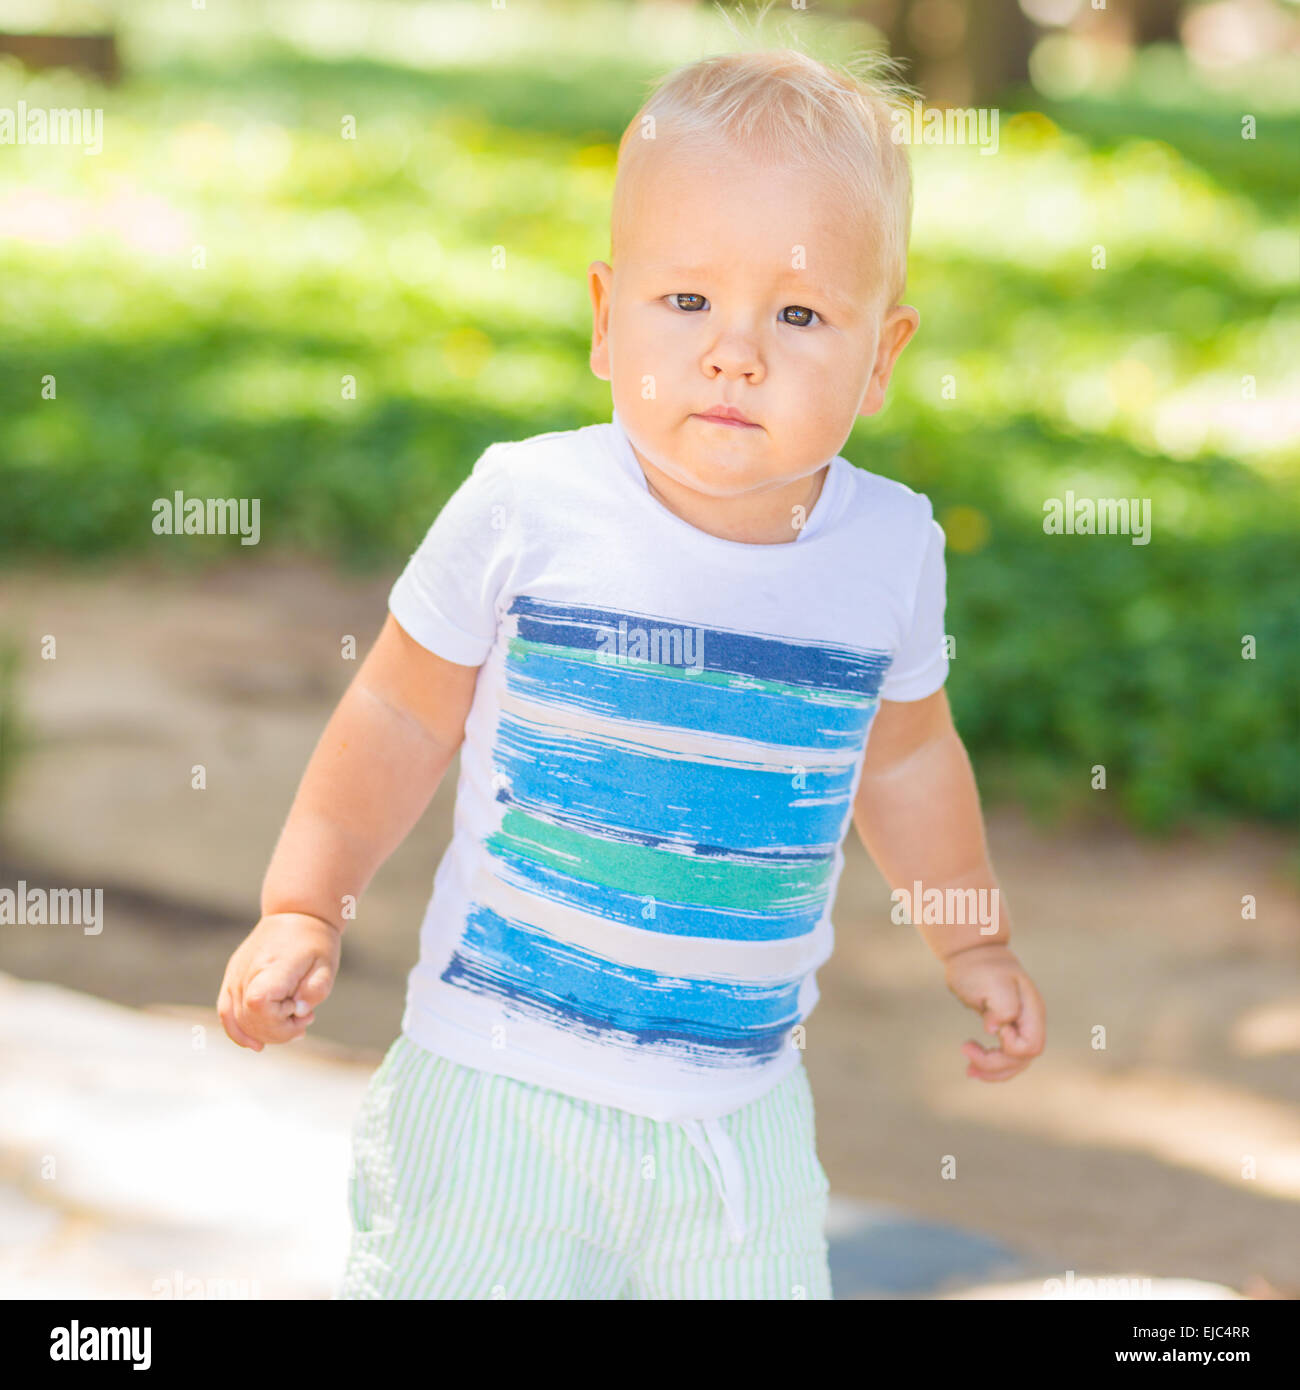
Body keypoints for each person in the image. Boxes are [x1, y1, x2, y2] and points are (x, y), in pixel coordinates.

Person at [218, 44, 1046, 1300]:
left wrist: (969, 935)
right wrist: (305, 902)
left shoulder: (888, 550)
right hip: (497, 1094)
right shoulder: (528, 507)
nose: (735, 354)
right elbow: (395, 708)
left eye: (802, 315)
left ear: (882, 357)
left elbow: (912, 755)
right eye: (686, 303)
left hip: (736, 1126)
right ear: (608, 320)